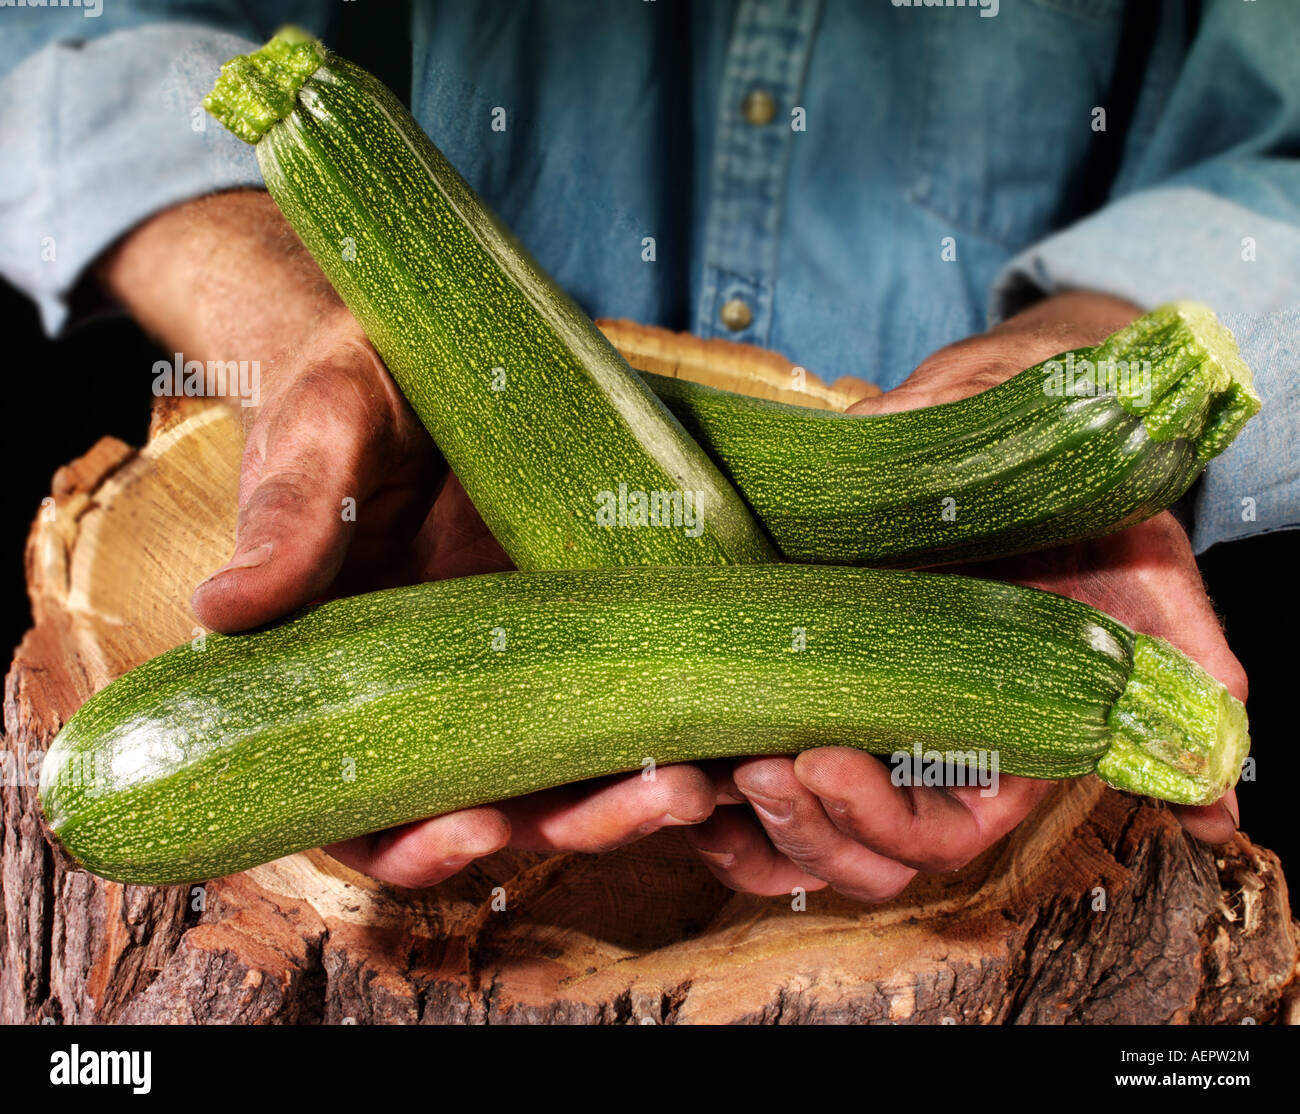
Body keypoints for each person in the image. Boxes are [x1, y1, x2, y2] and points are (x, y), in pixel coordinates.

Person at [2, 1, 1295, 902]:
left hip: (856, 451)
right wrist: (294, 315)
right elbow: (54, 25)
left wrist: (1092, 342)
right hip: (491, 462)